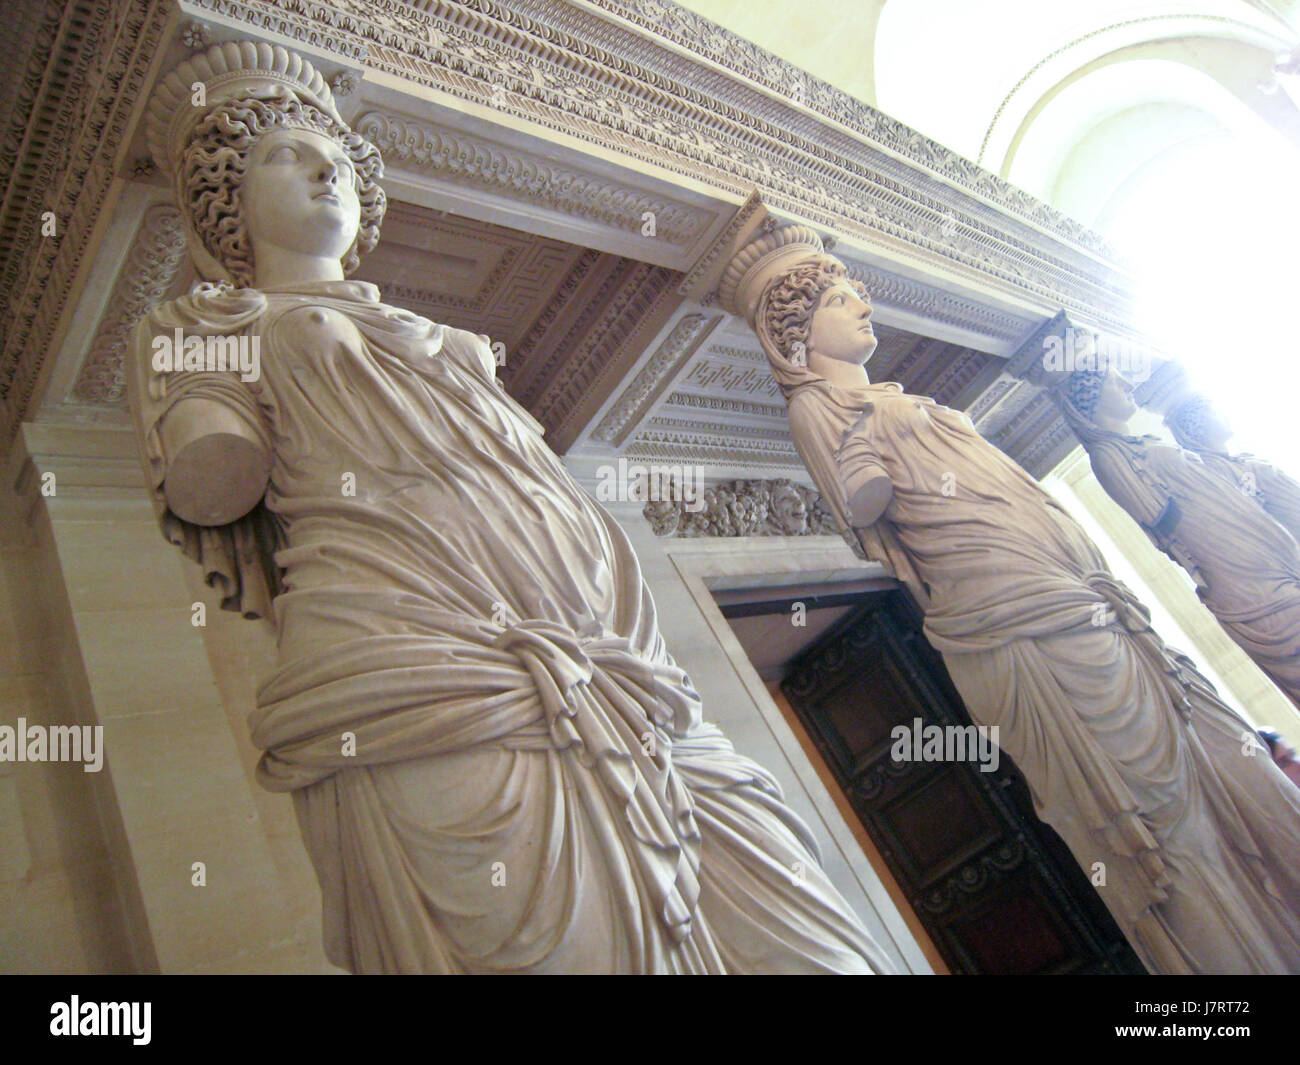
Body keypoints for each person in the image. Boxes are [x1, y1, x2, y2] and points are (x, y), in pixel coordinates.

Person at [128, 41, 891, 975]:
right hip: (420, 655)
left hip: (619, 654)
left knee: (822, 949)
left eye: (333, 154)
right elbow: (214, 474)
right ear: (225, 206)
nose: (325, 168)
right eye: (286, 155)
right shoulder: (206, 326)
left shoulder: (441, 332)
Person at [719, 225, 1300, 974]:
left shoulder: (894, 396)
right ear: (795, 333)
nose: (862, 303)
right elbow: (862, 502)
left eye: (856, 291)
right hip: (1021, 620)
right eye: (839, 298)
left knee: (1231, 767)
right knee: (1162, 826)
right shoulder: (818, 408)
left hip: (1083, 598)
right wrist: (859, 432)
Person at [1060, 370, 1300, 711]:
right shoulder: (1108, 455)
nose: (1128, 386)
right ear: (1092, 399)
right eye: (1115, 382)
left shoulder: (1141, 443)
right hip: (1235, 567)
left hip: (1265, 555)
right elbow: (1156, 512)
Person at [1167, 393, 1300, 545]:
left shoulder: (1238, 460)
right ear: (1199, 426)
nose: (1225, 416)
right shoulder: (1218, 469)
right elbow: (1252, 510)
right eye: (1215, 412)